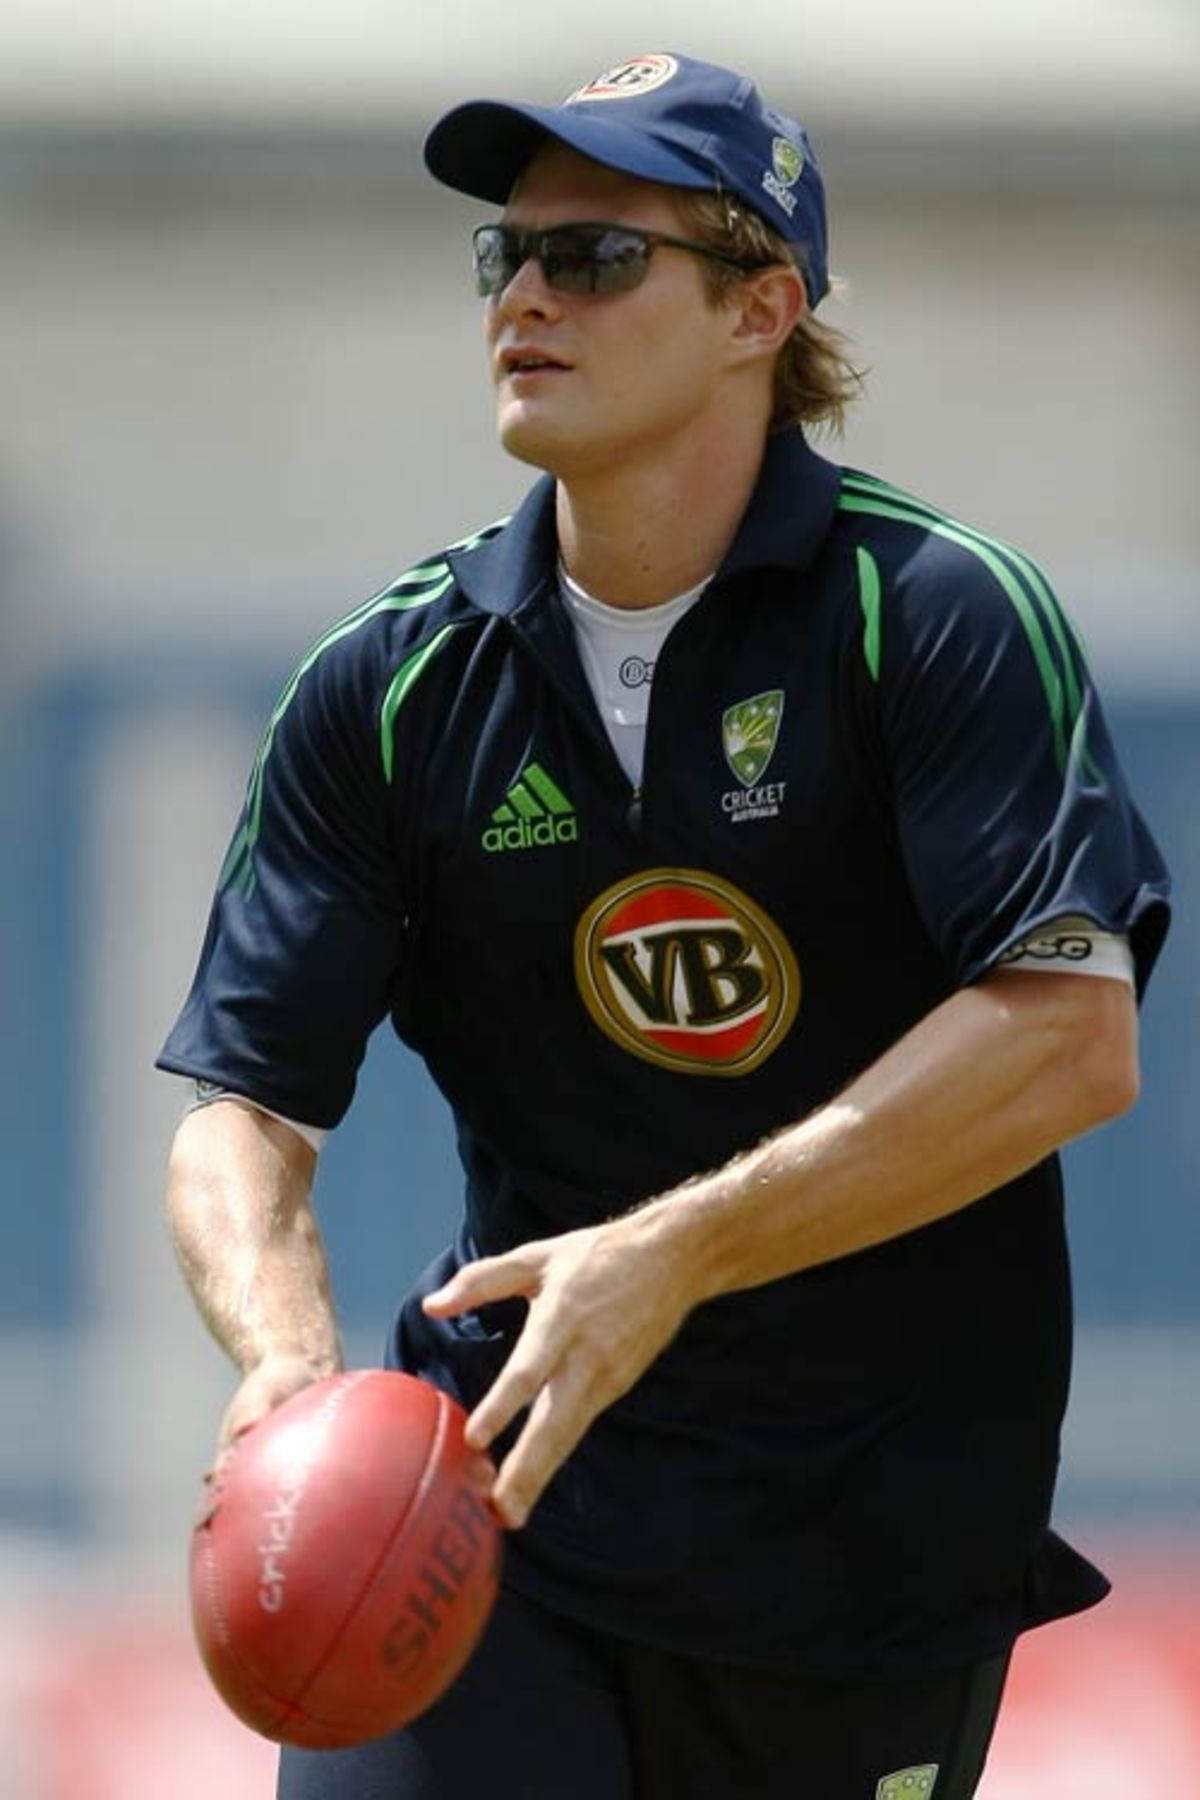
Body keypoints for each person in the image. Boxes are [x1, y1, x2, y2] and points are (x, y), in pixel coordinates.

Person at [159, 50, 1171, 1800]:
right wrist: (293, 1368)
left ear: (759, 309)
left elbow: (1070, 1039)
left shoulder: (929, 618)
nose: (527, 297)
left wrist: (677, 1251)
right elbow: (241, 1108)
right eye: (508, 258)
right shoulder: (387, 687)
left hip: (864, 1568)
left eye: (599, 257)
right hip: (488, 1527)